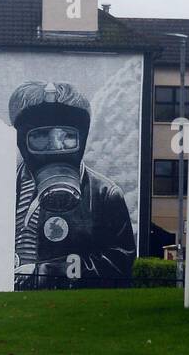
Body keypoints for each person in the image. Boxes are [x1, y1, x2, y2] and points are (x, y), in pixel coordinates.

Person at [9, 80, 135, 286]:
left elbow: (118, 264)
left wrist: (43, 274)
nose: (56, 146)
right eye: (41, 136)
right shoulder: (1, 187)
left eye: (67, 136)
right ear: (22, 139)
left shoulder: (104, 194)